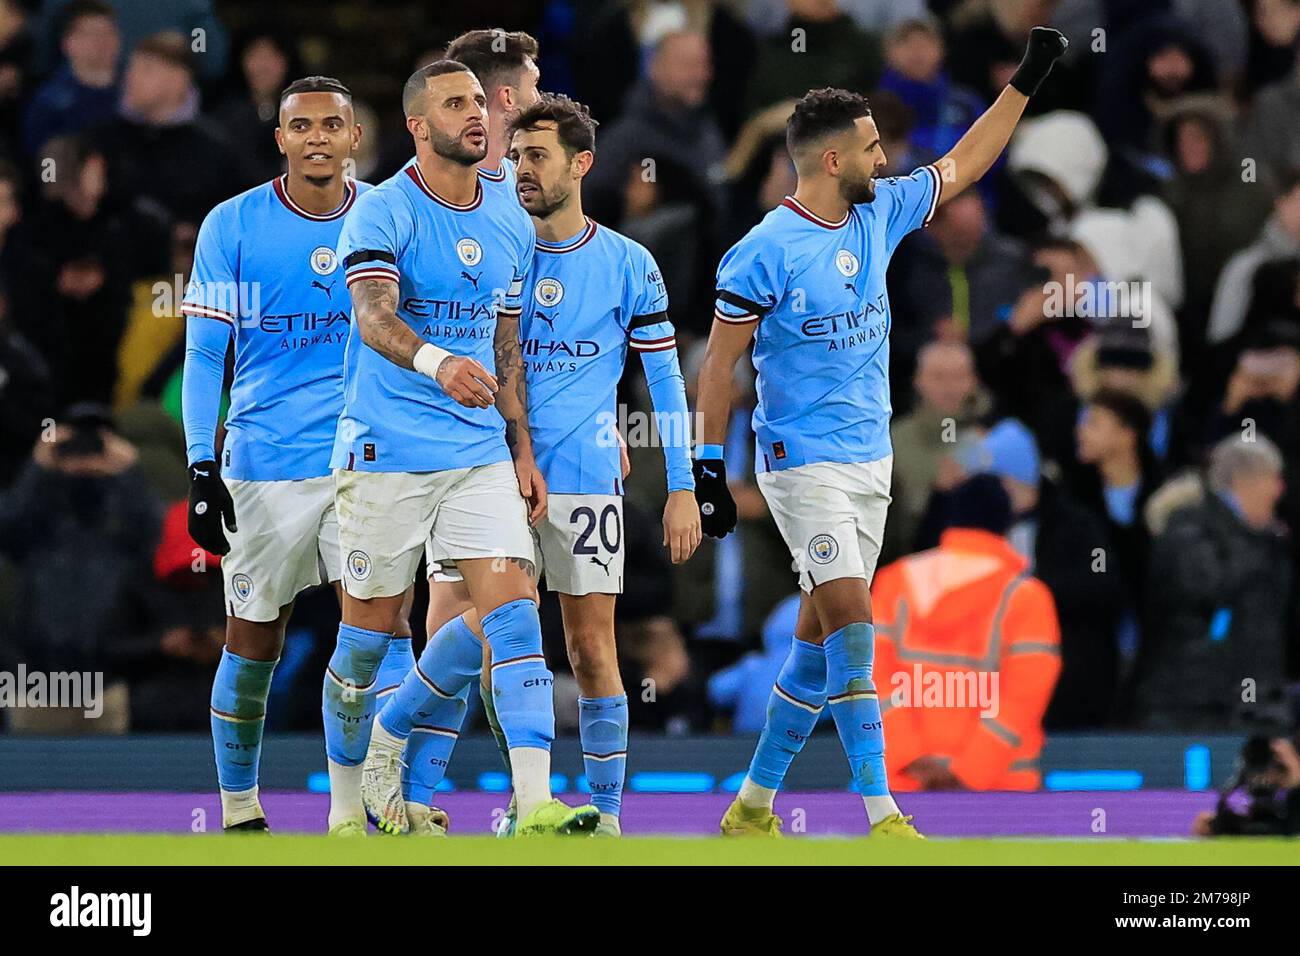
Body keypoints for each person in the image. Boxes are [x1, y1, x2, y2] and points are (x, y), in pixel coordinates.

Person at [692, 28, 1069, 837]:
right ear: (832, 161)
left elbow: (967, 161)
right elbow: (720, 366)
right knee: (858, 625)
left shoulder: (885, 211)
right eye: (870, 149)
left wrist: (1028, 81)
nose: (885, 161)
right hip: (803, 465)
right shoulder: (762, 252)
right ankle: (881, 811)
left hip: (872, 460)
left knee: (818, 643)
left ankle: (753, 805)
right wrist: (707, 469)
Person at [364, 93, 701, 838]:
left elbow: (668, 380)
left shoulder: (628, 263)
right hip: (487, 470)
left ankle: (605, 819)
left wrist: (683, 483)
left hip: (584, 478)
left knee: (590, 647)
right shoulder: (492, 247)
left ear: (581, 165)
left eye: (536, 156)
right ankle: (415, 779)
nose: (520, 169)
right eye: (514, 156)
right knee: (486, 630)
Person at [331, 60, 595, 837]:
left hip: (477, 449)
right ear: (418, 125)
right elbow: (372, 317)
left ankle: (537, 798)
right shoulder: (383, 211)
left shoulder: (510, 218)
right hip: (386, 450)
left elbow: (506, 343)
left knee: (513, 610)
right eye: (456, 103)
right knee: (364, 639)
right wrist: (436, 362)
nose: (478, 114)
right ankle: (352, 799)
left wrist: (521, 449)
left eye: (481, 101)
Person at [181, 76, 399, 834]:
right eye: (299, 125)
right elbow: (206, 357)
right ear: (279, 139)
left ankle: (364, 809)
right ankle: (239, 808)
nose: (315, 138)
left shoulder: (386, 213)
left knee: (378, 634)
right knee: (254, 640)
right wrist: (201, 471)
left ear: (353, 138)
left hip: (363, 461)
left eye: (329, 125)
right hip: (262, 467)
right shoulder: (232, 225)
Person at [873, 474, 1061, 791]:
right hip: (1000, 794)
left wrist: (910, 757)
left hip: (904, 790)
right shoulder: (1027, 597)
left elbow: (869, 679)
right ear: (1006, 526)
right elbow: (1022, 697)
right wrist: (969, 773)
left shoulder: (894, 583)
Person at [1133, 436, 1292, 730]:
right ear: (1244, 479)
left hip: (1256, 699)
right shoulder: (1188, 526)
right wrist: (1257, 539)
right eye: (1273, 478)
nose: (1279, 489)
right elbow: (1205, 585)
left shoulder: (1270, 538)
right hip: (1194, 704)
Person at [22, 0, 118, 155]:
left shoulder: (134, 90)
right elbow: (46, 162)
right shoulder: (50, 102)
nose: (104, 41)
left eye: (110, 31)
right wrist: (54, 179)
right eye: (93, 34)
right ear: (68, 43)